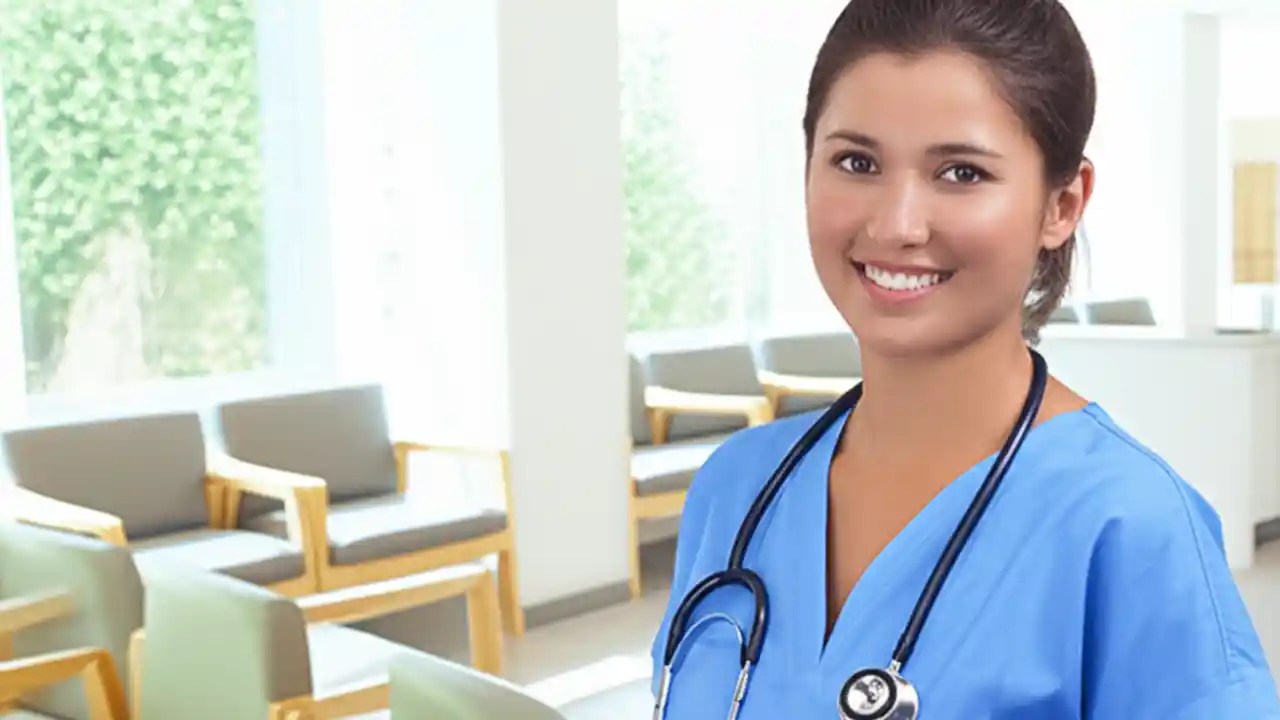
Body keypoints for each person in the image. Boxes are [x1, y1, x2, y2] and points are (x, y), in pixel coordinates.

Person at [650, 0, 1280, 717]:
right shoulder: (736, 488)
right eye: (857, 162)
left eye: (961, 173)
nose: (896, 224)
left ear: (1063, 204)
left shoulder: (1131, 528)